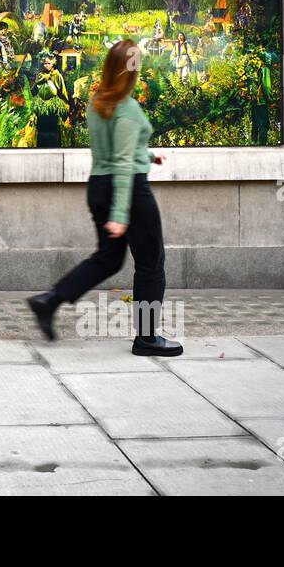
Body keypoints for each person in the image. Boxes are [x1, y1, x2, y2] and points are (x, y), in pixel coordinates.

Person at [26, 39, 182, 357]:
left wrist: (149, 156)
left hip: (98, 185)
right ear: (131, 70)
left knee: (108, 259)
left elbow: (117, 150)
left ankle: (49, 301)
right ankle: (148, 338)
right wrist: (121, 214)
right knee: (152, 263)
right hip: (128, 190)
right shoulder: (126, 108)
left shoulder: (99, 102)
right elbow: (123, 162)